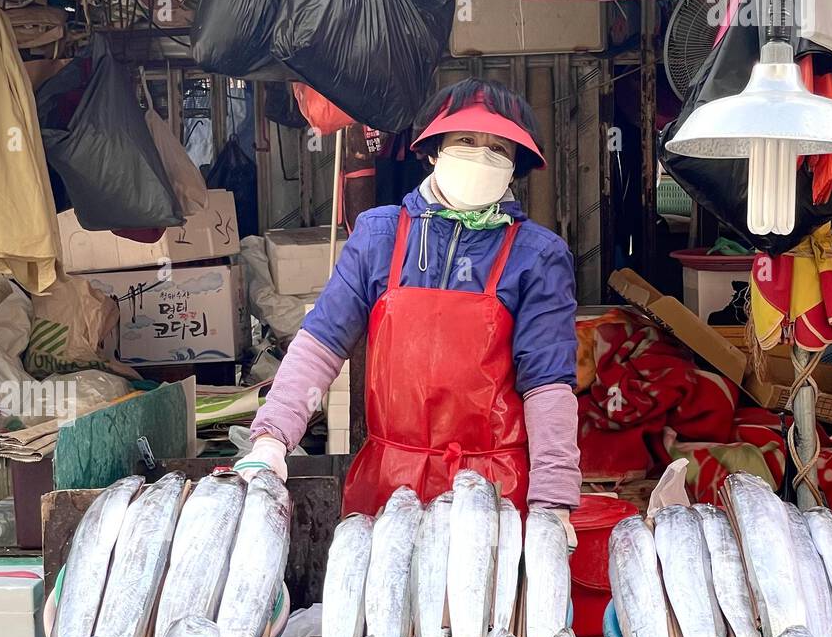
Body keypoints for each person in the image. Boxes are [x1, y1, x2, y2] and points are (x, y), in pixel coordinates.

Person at [236, 79, 581, 540]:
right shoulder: (378, 235)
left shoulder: (538, 254)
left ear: (514, 166)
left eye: (497, 149)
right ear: (435, 150)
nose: (480, 155)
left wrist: (553, 500)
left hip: (494, 493)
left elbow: (548, 385)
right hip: (389, 481)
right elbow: (320, 346)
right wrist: (272, 438)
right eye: (465, 141)